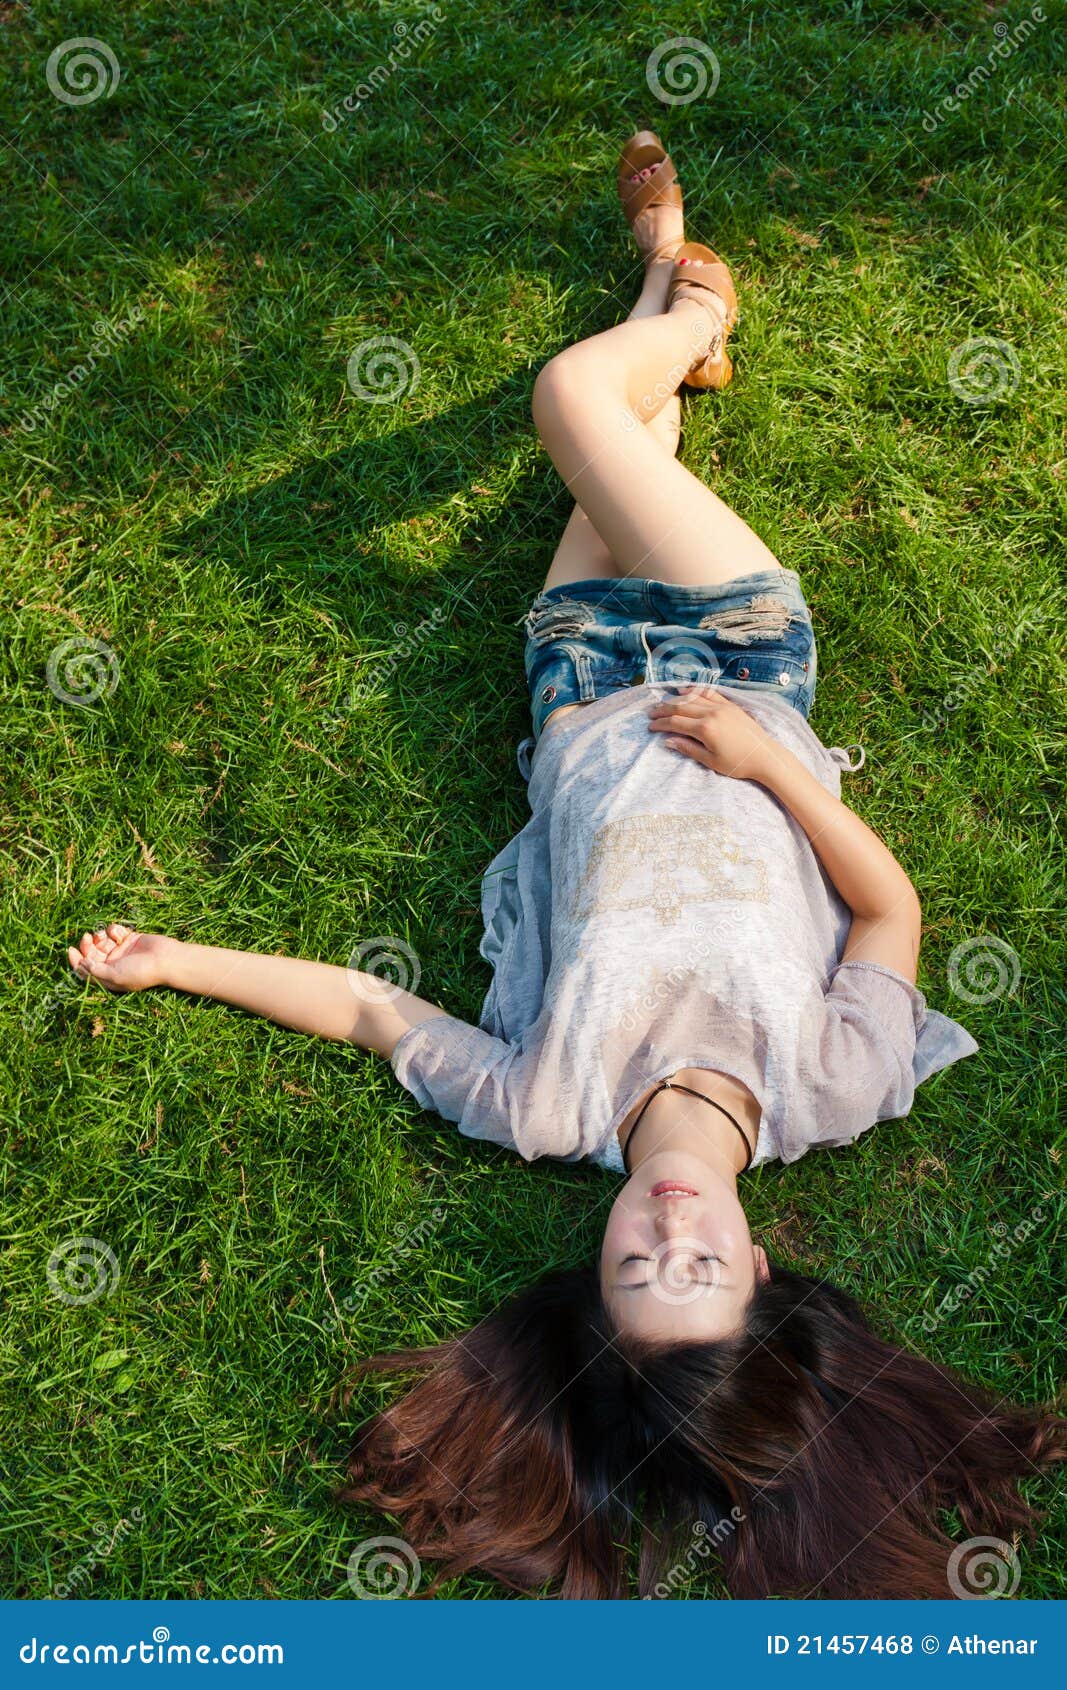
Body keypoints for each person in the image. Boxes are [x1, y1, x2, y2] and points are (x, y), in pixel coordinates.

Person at [67, 133, 1064, 1598]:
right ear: (763, 1269)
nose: (669, 1234)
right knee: (575, 404)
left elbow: (370, 1012)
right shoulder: (837, 1084)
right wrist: (769, 767)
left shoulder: (544, 1104)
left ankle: (669, 314)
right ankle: (696, 297)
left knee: (622, 446)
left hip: (577, 683)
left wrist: (176, 962)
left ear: (591, 1272)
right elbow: (888, 904)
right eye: (702, 1269)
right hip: (740, 656)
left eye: (636, 1271)